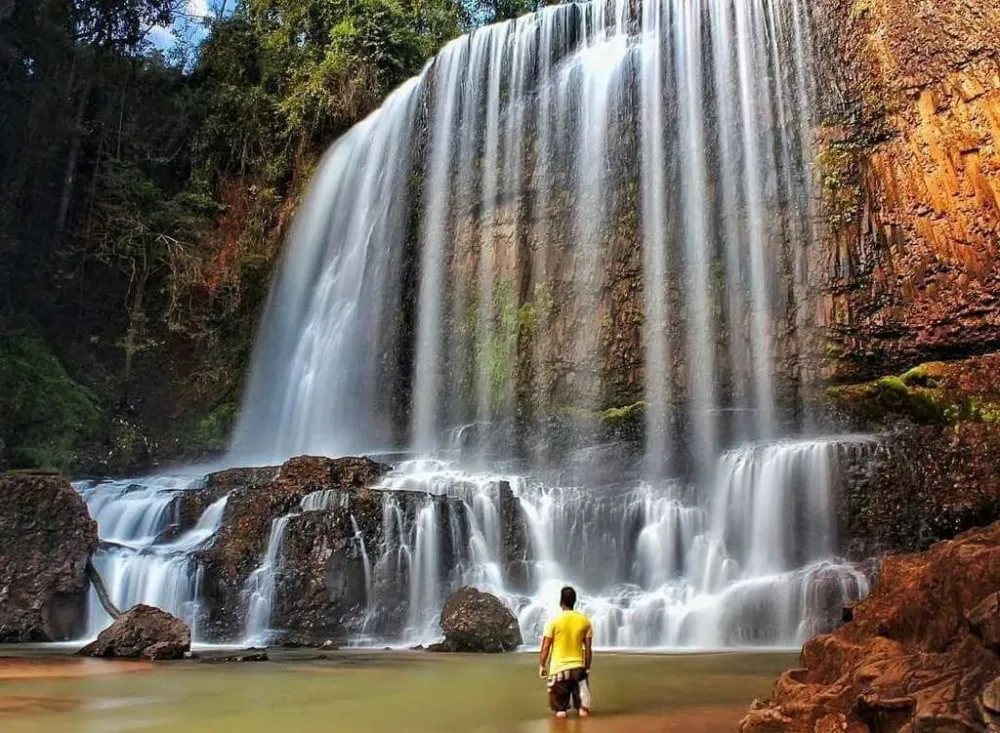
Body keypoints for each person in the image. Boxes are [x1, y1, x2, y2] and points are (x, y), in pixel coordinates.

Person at [538, 586, 593, 719]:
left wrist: (542, 665)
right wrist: (587, 667)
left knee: (561, 712)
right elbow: (588, 649)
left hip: (558, 672)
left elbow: (545, 646)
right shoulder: (585, 621)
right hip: (578, 669)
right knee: (583, 711)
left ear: (561, 601)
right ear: (575, 601)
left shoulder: (553, 621)